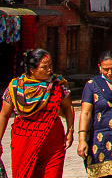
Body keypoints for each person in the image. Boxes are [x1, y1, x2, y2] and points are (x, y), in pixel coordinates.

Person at [0, 48, 75, 178]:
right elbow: (4, 115)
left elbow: (68, 107)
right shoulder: (15, 87)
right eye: (44, 67)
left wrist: (70, 131)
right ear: (31, 70)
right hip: (23, 143)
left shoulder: (57, 84)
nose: (49, 70)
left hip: (52, 145)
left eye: (50, 66)